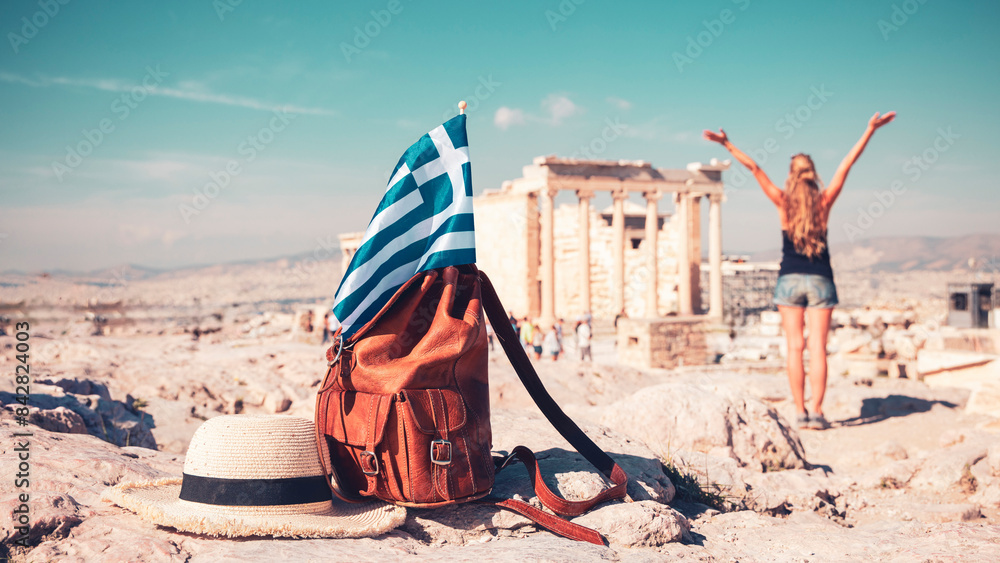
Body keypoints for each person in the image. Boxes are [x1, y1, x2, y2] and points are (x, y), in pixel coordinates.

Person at [703, 111, 896, 430]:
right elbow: (847, 164)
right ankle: (818, 413)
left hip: (789, 280)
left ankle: (801, 411)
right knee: (818, 348)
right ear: (813, 175)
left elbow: (754, 168)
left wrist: (728, 145)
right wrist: (869, 130)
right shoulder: (824, 202)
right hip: (821, 280)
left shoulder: (782, 201)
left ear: (791, 176)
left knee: (795, 348)